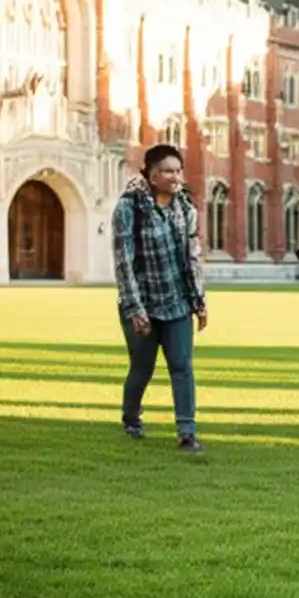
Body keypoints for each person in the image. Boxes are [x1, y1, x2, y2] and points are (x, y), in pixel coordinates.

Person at [111, 144, 208, 453]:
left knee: (182, 367)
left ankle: (186, 432)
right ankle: (131, 417)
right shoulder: (128, 208)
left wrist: (199, 302)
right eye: (168, 171)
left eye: (178, 170)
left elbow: (192, 259)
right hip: (143, 304)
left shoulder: (185, 208)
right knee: (142, 368)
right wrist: (135, 309)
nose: (175, 176)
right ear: (151, 175)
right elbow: (123, 262)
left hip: (178, 303)